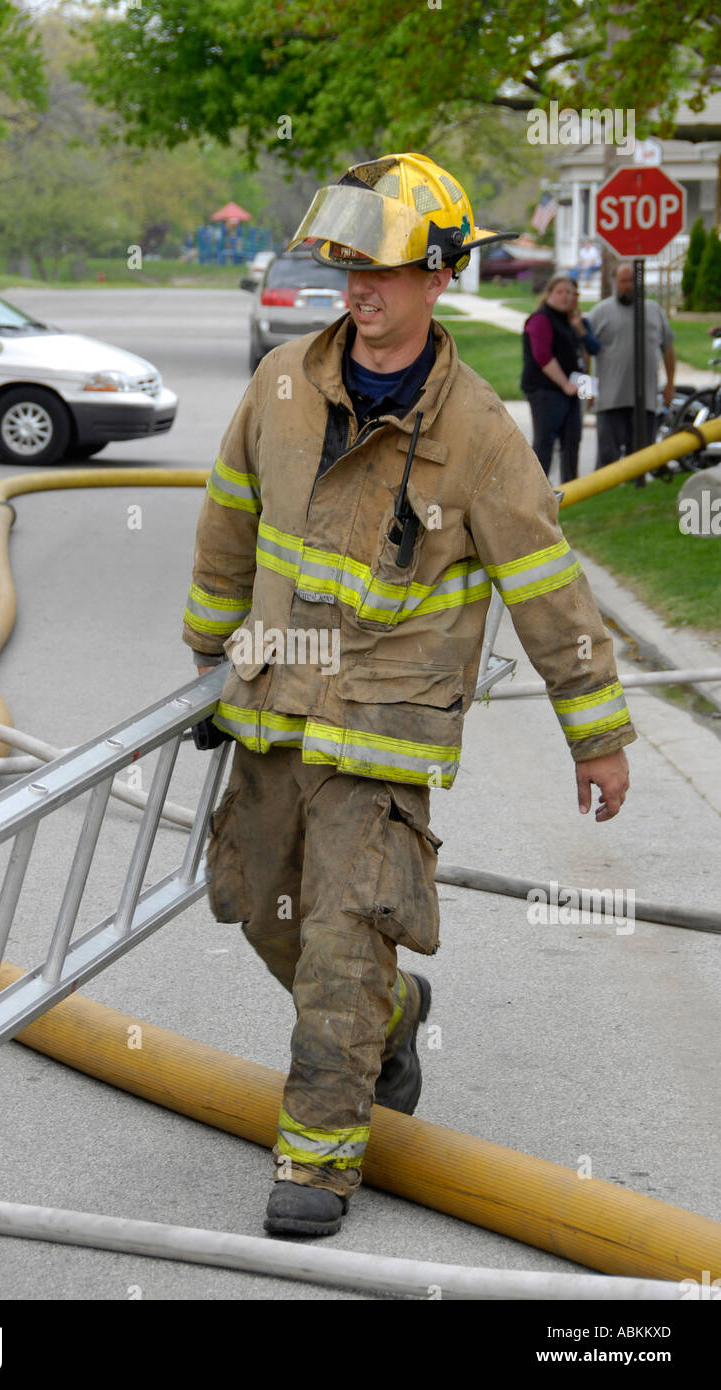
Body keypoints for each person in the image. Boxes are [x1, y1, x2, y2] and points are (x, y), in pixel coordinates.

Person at [182, 152, 636, 1240]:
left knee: (342, 939)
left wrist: (599, 734)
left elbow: (544, 583)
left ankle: (320, 1162)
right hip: (273, 707)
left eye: (382, 271)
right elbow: (227, 525)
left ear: (439, 278)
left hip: (385, 733)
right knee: (259, 905)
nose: (359, 290)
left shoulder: (479, 431)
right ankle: (396, 1013)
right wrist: (206, 655)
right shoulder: (283, 385)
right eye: (349, 268)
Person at [586, 262, 676, 470]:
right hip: (610, 401)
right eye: (623, 281)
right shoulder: (599, 313)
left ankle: (637, 495)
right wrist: (587, 392)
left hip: (645, 400)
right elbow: (584, 355)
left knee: (642, 460)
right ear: (614, 283)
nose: (628, 286)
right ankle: (606, 498)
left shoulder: (654, 311)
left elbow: (668, 350)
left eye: (631, 281)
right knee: (608, 459)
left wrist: (670, 384)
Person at [520, 272, 596, 484]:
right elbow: (542, 356)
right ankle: (537, 491)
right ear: (549, 294)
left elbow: (582, 356)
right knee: (545, 442)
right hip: (546, 391)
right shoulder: (540, 319)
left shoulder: (572, 322)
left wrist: (587, 390)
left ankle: (571, 489)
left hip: (571, 391)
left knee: (572, 441)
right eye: (561, 292)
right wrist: (565, 384)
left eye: (571, 293)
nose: (567, 296)